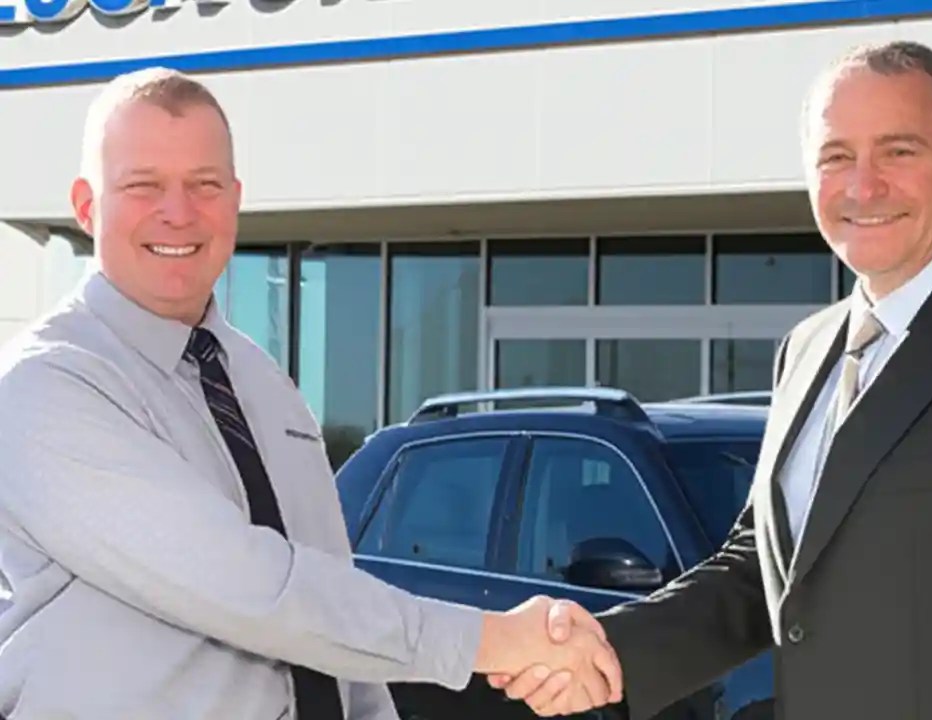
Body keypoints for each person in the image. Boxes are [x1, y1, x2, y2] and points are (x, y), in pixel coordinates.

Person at [491, 40, 932, 719]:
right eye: (836, 156)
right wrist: (611, 650)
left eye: (898, 151)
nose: (863, 184)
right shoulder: (808, 348)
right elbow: (759, 576)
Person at [0, 67, 620, 720]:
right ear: (86, 204)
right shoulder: (43, 389)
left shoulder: (262, 385)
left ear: (235, 197)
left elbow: (328, 597)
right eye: (143, 185)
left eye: (204, 185)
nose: (177, 212)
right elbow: (247, 586)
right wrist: (495, 640)